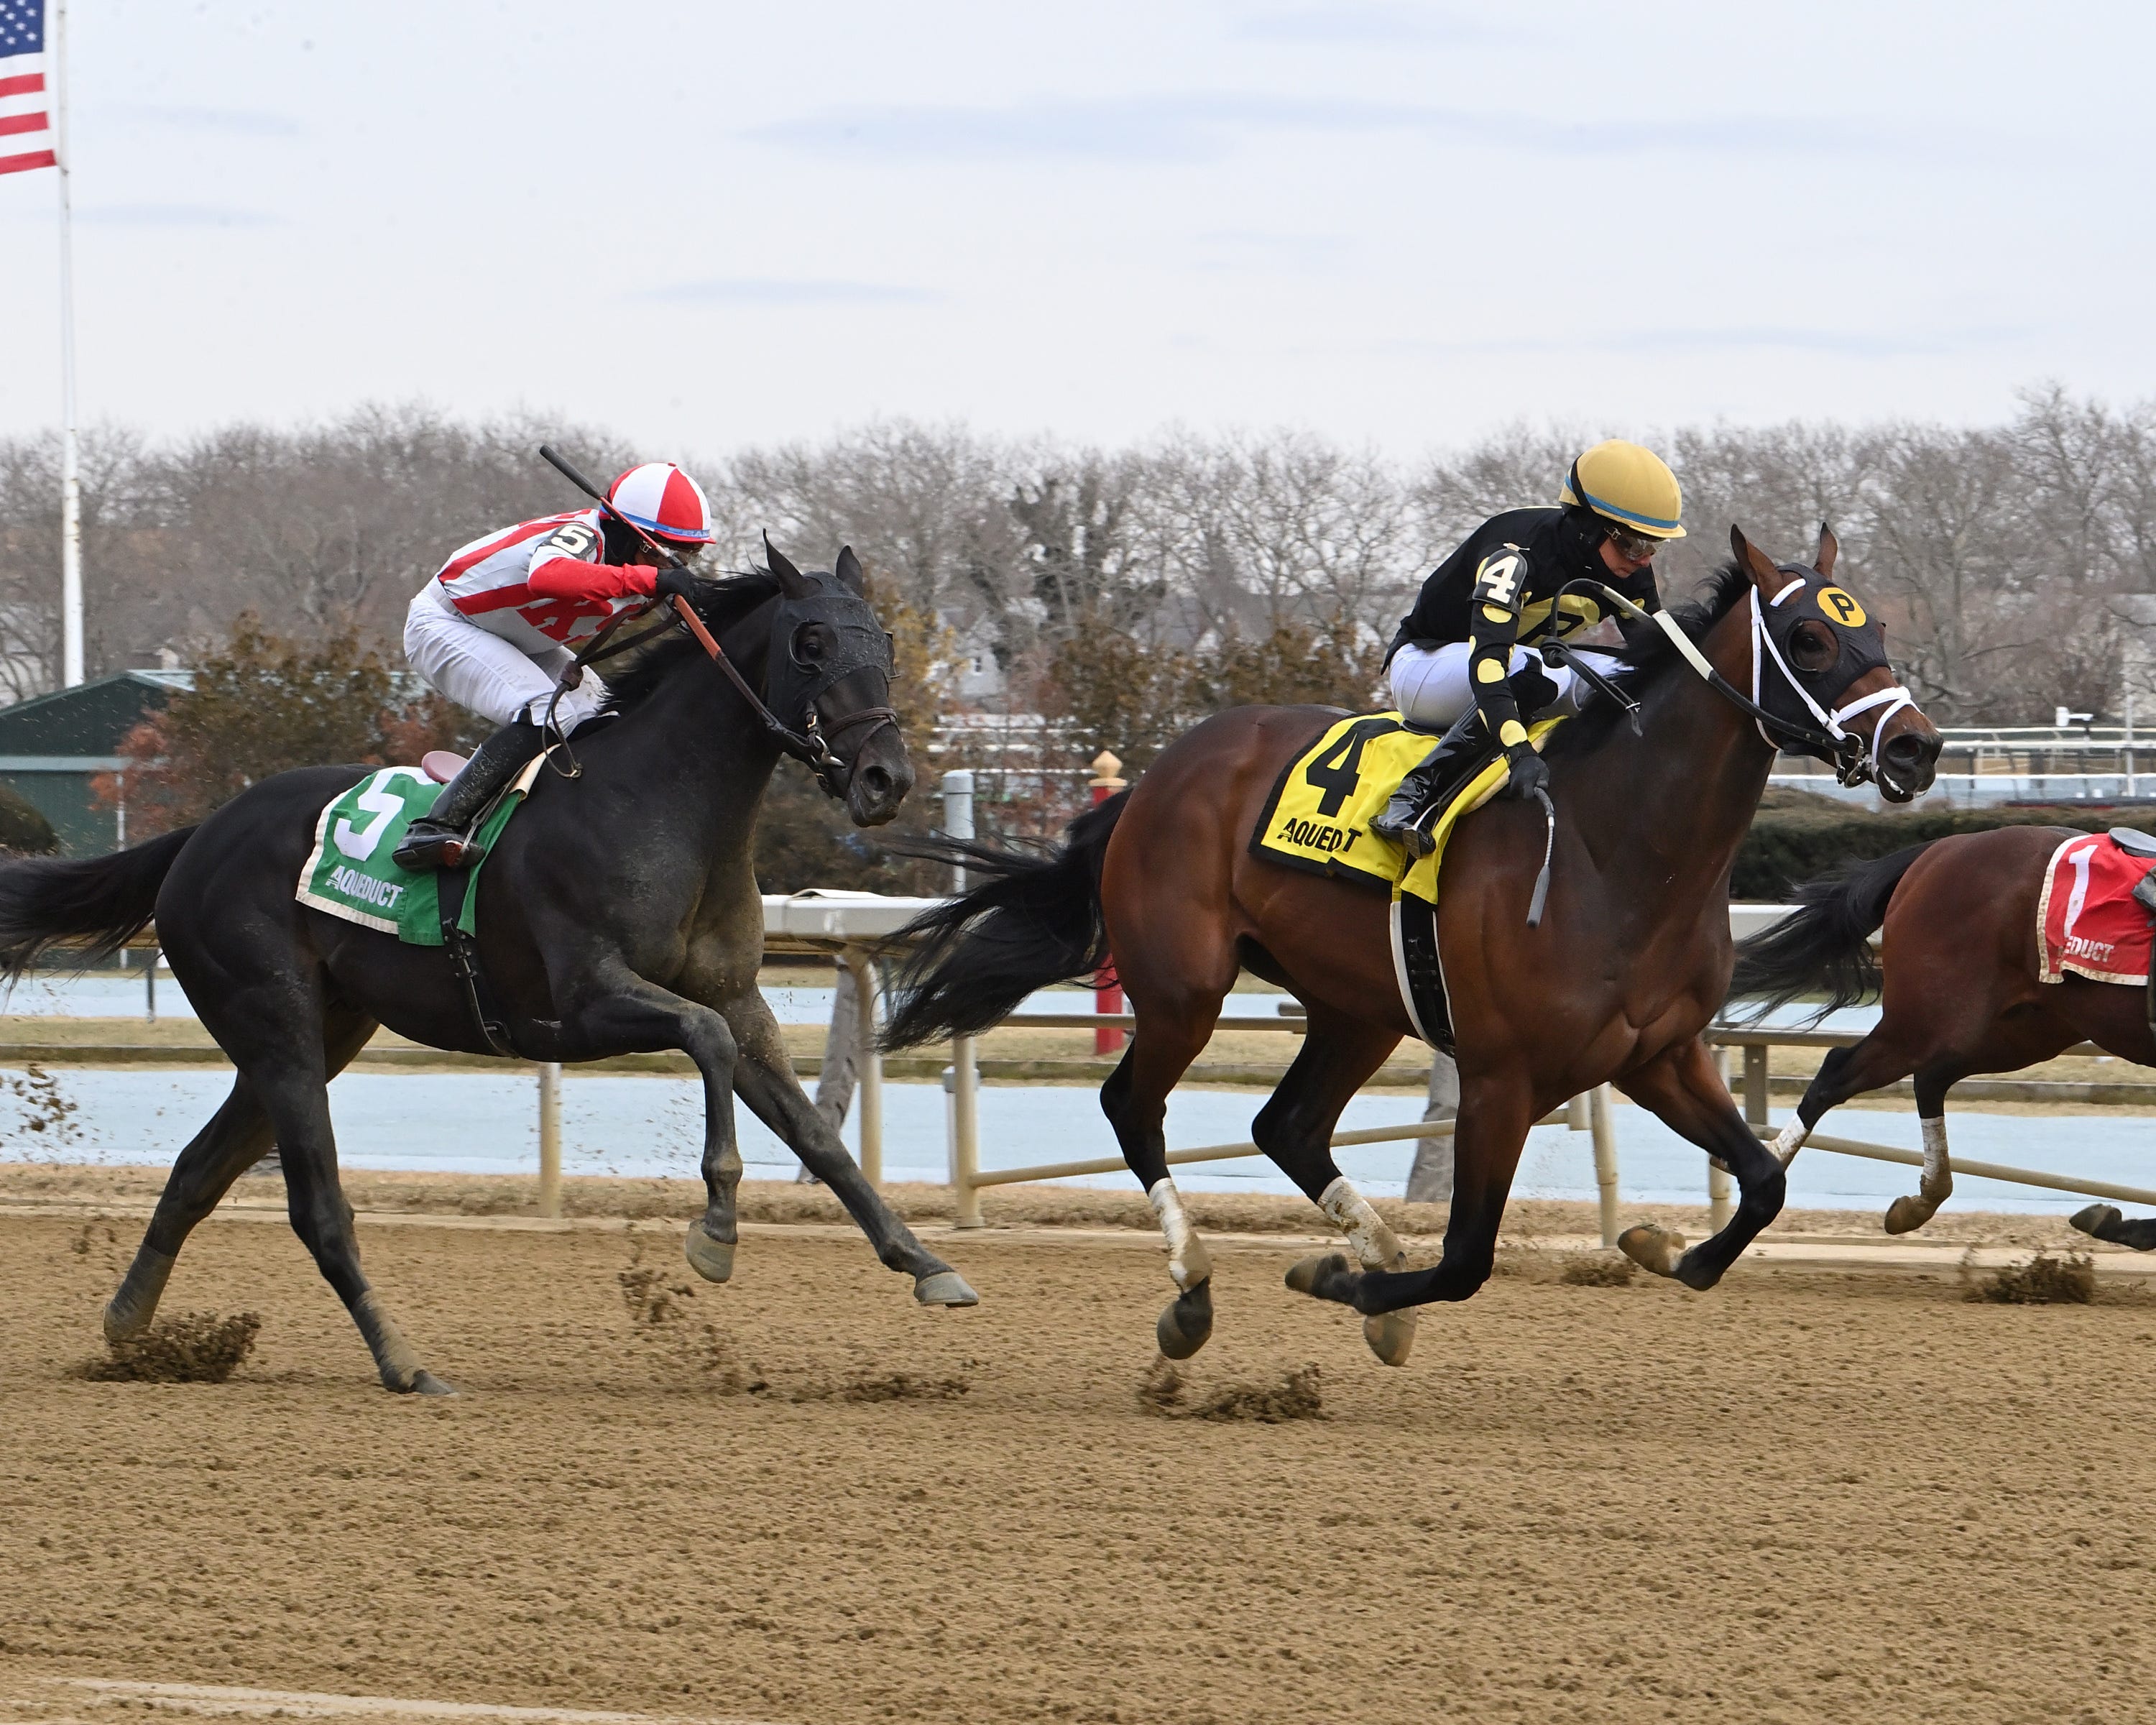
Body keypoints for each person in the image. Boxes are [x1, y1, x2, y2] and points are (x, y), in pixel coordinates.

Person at [1370, 439, 1685, 857]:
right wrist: (1516, 749)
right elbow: (1489, 662)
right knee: (1533, 668)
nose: (1644, 560)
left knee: (1626, 680)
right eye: (1633, 544)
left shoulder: (1630, 573)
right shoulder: (1516, 555)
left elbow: (1662, 663)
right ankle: (1414, 799)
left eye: (1653, 547)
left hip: (1511, 669)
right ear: (1589, 528)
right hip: (1426, 669)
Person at [393, 461, 714, 870]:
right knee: (549, 711)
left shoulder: (644, 568)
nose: (679, 565)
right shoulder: (583, 536)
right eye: (672, 551)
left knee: (607, 716)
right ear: (636, 537)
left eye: (691, 553)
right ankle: (434, 828)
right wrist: (647, 580)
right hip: (447, 622)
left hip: (523, 641)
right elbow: (547, 577)